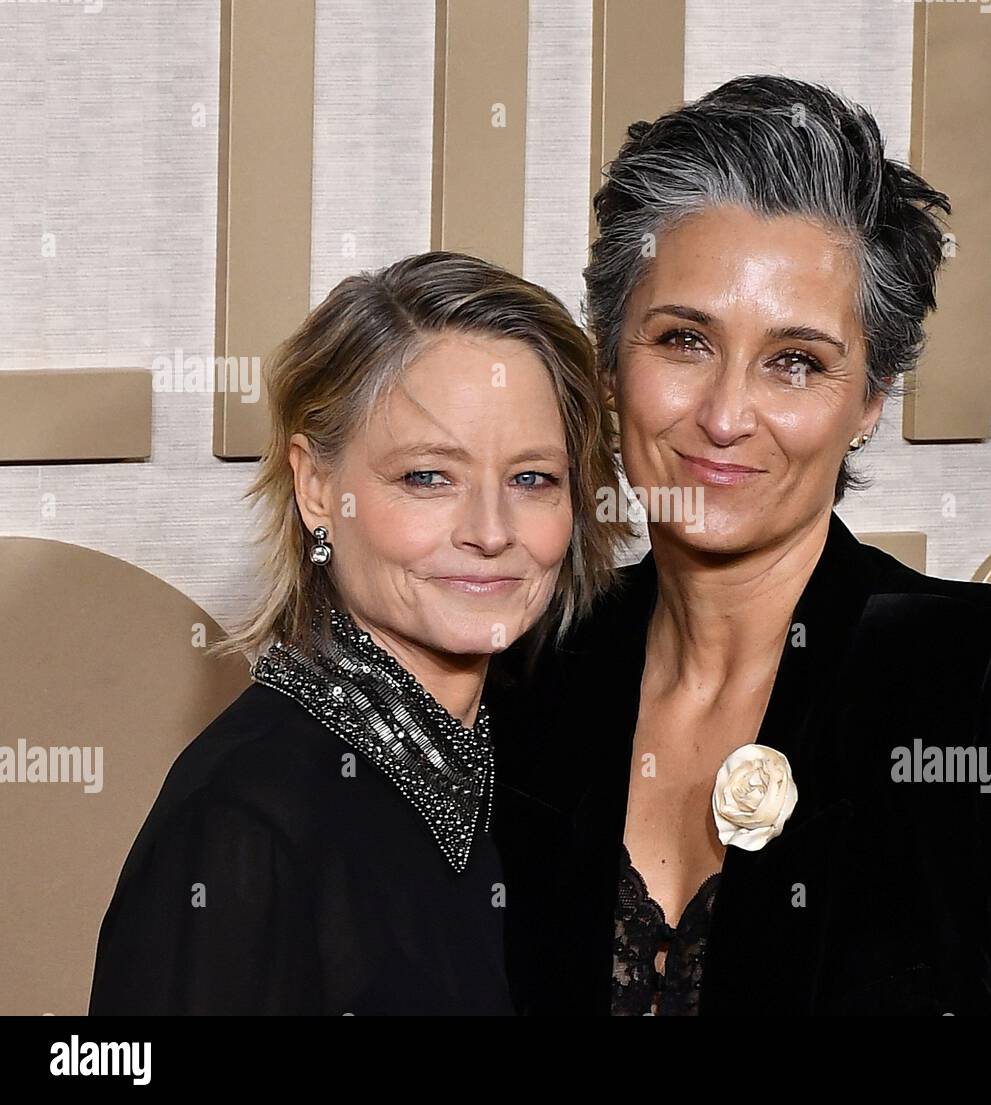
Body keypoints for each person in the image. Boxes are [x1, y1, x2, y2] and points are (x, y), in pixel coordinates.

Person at [487, 75, 991, 1015]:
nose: (726, 415)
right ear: (609, 356)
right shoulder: (523, 670)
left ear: (870, 400)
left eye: (796, 361)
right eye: (683, 340)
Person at [88, 251, 629, 1014]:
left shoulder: (535, 768)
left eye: (531, 478)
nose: (491, 530)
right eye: (427, 477)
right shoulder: (241, 822)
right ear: (316, 486)